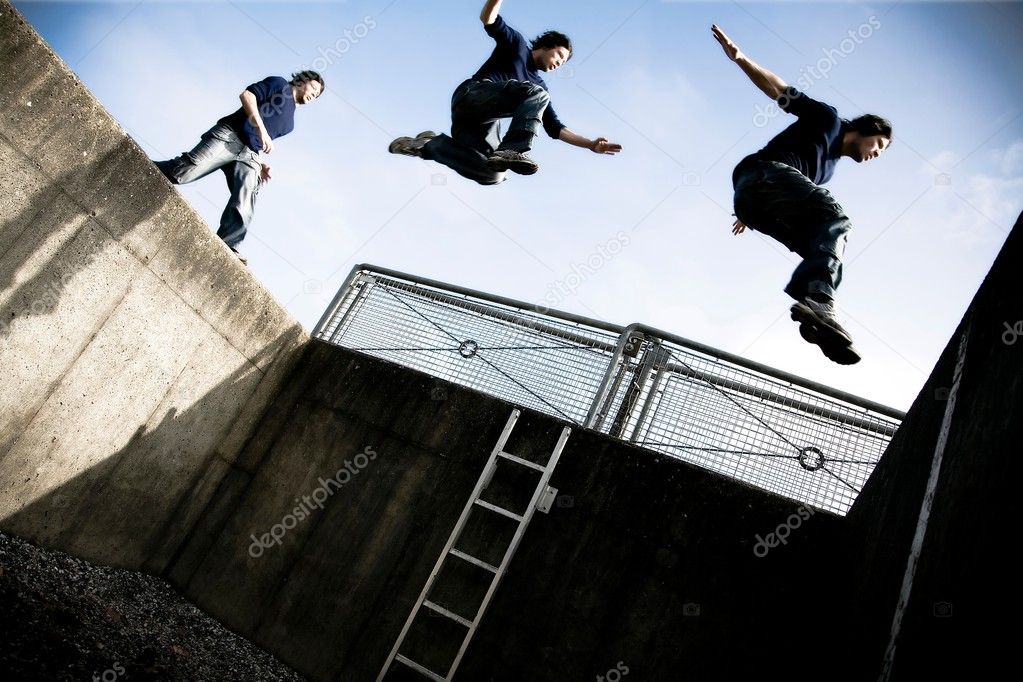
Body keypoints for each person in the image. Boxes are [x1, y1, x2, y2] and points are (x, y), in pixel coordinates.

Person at [712, 24, 892, 365]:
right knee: (837, 219)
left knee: (818, 244)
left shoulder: (827, 170)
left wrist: (747, 214)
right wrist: (741, 59)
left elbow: (793, 193)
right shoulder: (828, 120)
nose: (877, 153)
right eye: (879, 144)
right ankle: (820, 300)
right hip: (761, 174)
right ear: (866, 130)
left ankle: (817, 310)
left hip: (755, 201)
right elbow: (781, 91)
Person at [389, 0, 621, 185]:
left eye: (563, 63)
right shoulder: (517, 46)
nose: (559, 64)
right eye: (559, 56)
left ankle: (428, 145)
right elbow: (488, 19)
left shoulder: (539, 88)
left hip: (475, 128)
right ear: (546, 46)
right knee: (536, 94)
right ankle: (512, 149)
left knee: (494, 173)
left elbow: (556, 128)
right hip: (471, 96)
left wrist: (590, 144)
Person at [153, 71, 324, 263]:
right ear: (302, 80)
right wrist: (261, 130)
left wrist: (261, 164)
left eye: (317, 96)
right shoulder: (280, 85)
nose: (314, 95)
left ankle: (228, 246)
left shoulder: (290, 124)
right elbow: (247, 96)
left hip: (250, 155)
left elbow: (259, 140)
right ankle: (147, 167)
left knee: (246, 198)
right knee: (182, 173)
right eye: (314, 89)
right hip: (230, 136)